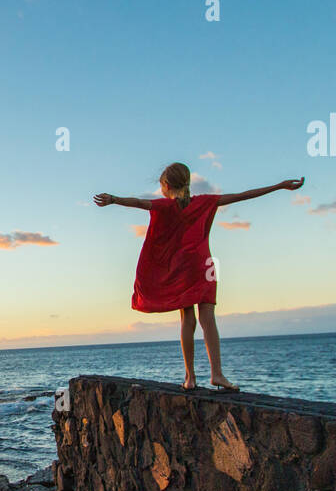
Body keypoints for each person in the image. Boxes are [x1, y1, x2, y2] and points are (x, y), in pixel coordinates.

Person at [94, 162, 305, 391]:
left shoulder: (165, 206)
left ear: (166, 185)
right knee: (208, 318)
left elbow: (138, 203)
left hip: (182, 267)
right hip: (205, 264)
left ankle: (190, 377)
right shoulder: (204, 202)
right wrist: (279, 186)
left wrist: (114, 199)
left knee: (187, 318)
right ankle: (217, 374)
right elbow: (243, 195)